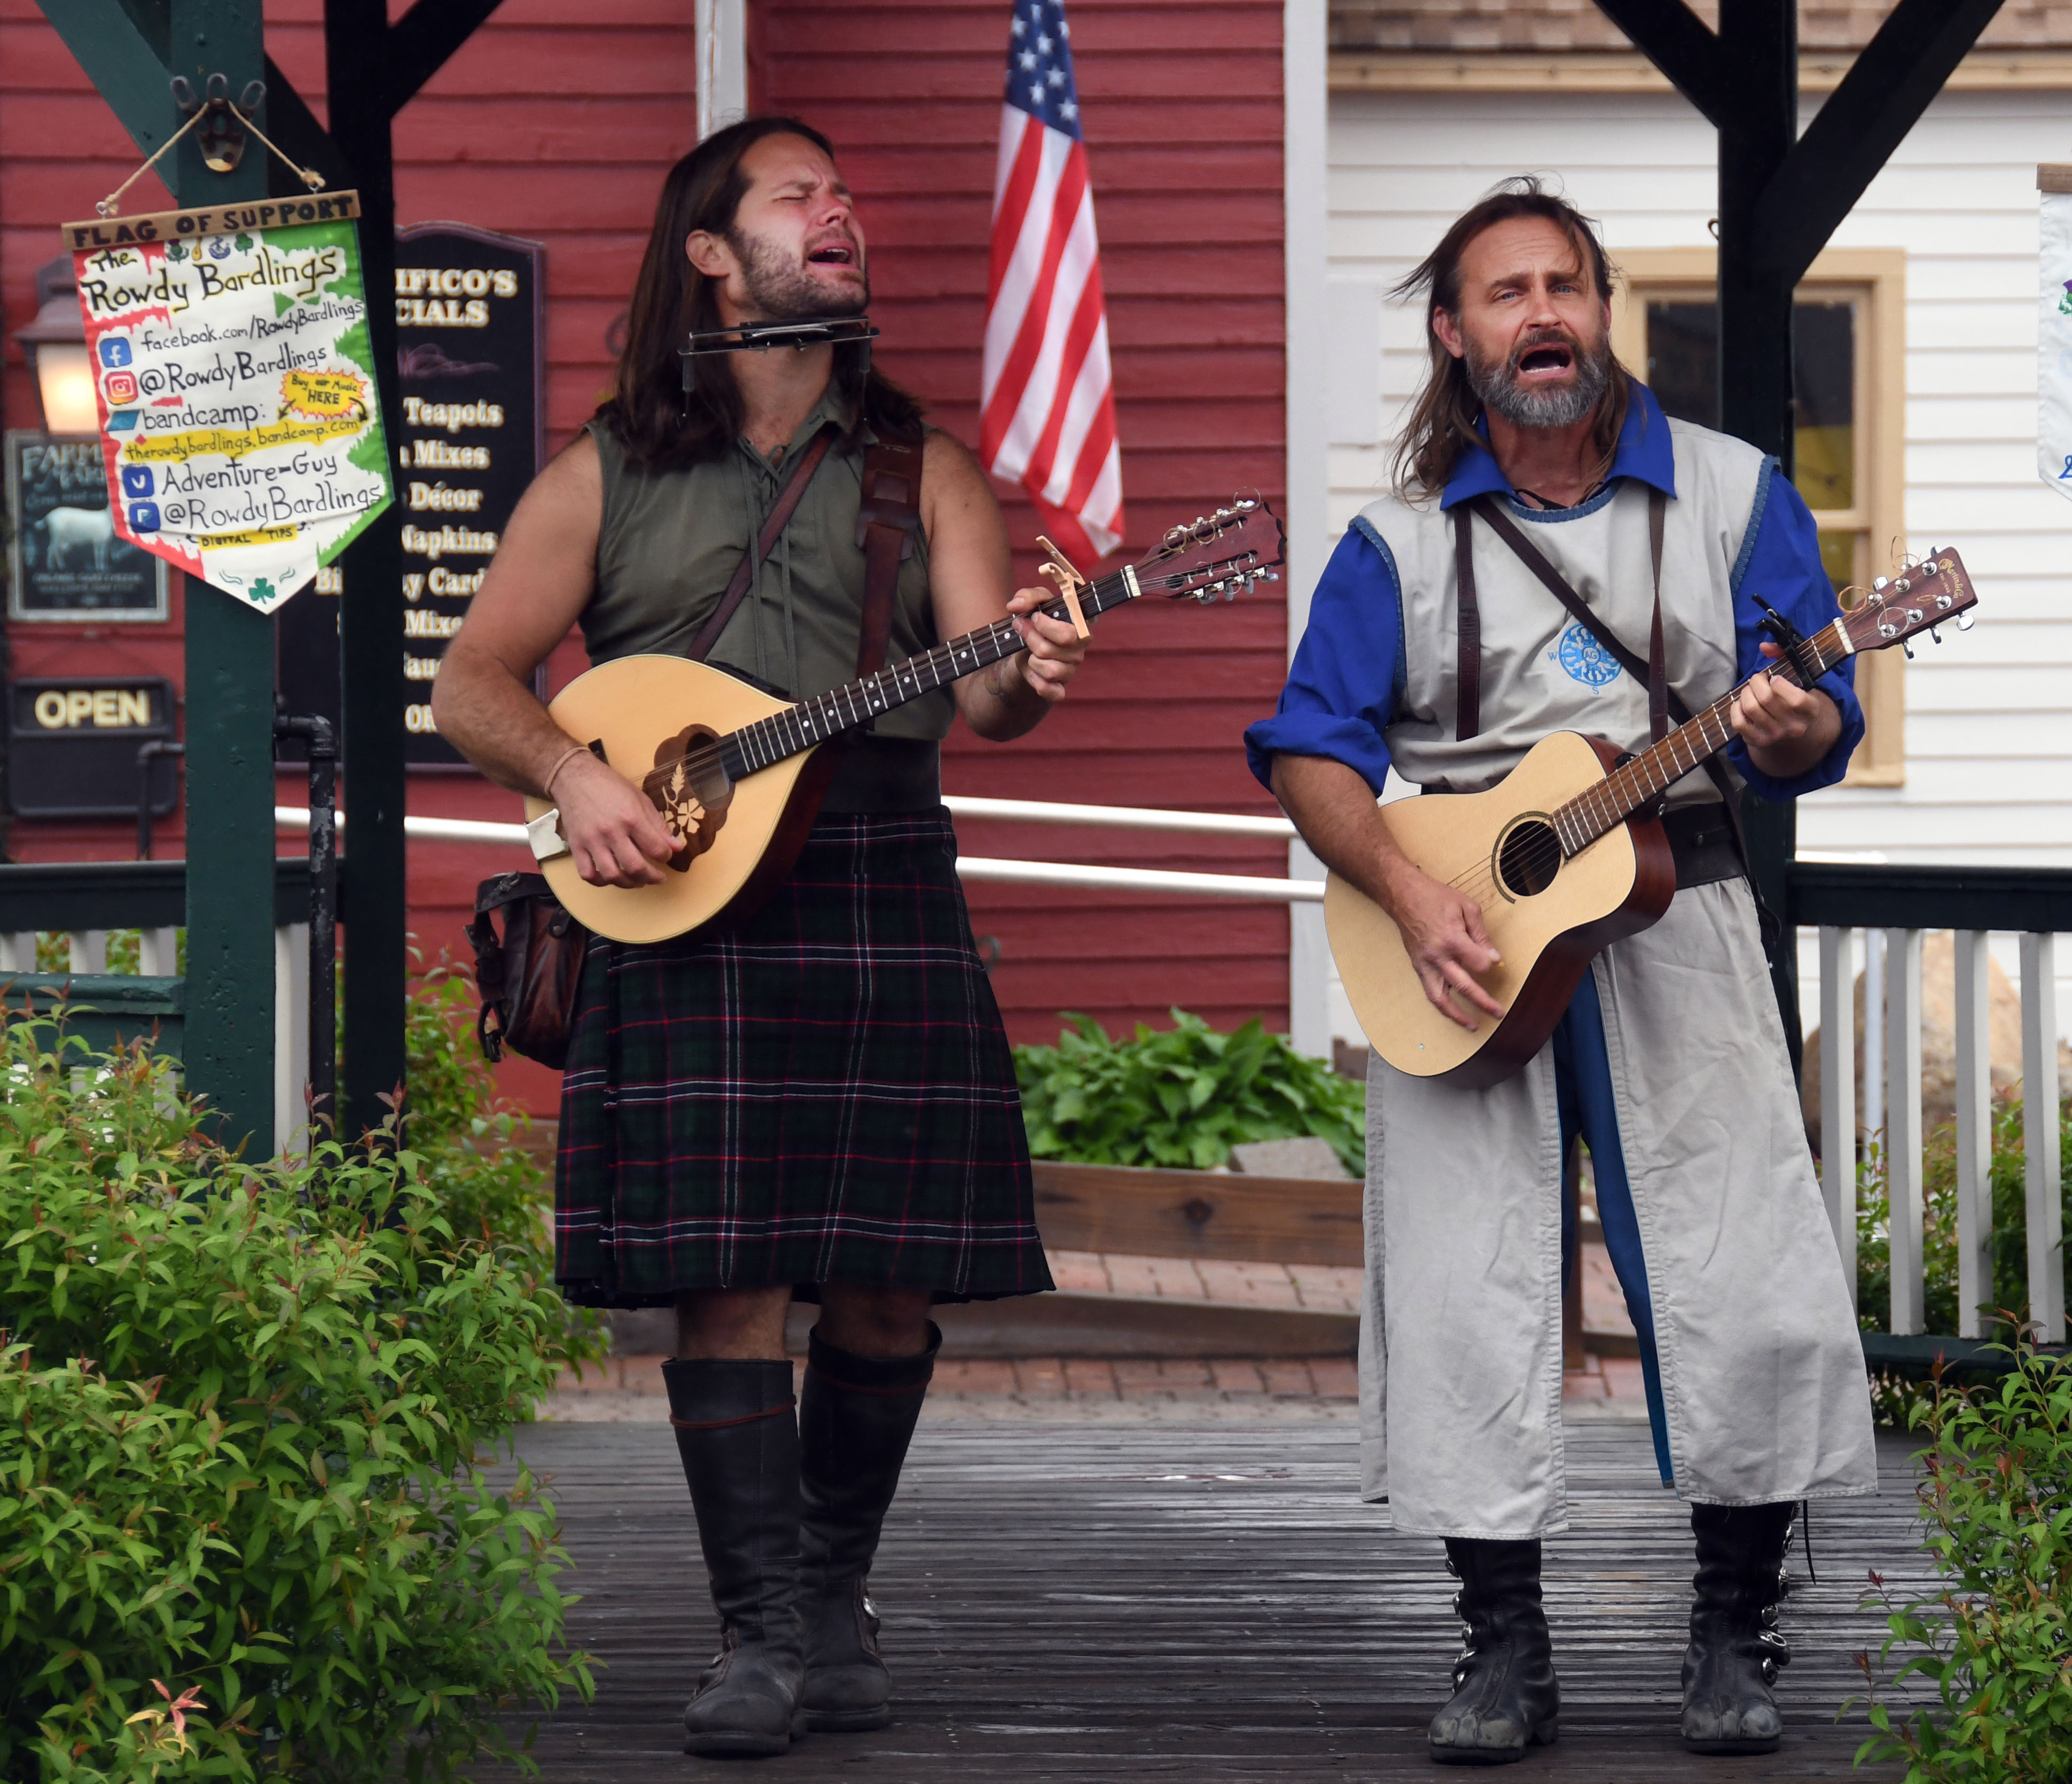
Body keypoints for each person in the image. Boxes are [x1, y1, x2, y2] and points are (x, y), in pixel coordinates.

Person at [434, 117, 1090, 1759]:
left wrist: (1029, 662)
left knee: (884, 1286)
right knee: (719, 1286)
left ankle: (827, 1600)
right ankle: (756, 1637)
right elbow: (472, 683)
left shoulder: (919, 471)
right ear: (714, 255)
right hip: (677, 879)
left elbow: (990, 692)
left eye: (845, 198)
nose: (841, 213)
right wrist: (578, 775)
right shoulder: (603, 472)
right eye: (803, 197)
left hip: (876, 865)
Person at [1246, 179, 1877, 1763]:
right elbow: (1311, 749)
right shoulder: (1392, 542)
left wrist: (1805, 722)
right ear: (1456, 339)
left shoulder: (1734, 495)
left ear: (1602, 311)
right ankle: (1501, 1649)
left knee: (1743, 1275)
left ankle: (1736, 1629)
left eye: (1566, 286)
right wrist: (1408, 884)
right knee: (1466, 1285)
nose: (1542, 315)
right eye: (1505, 294)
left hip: (1684, 905)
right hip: (1459, 932)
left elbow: (1815, 708)